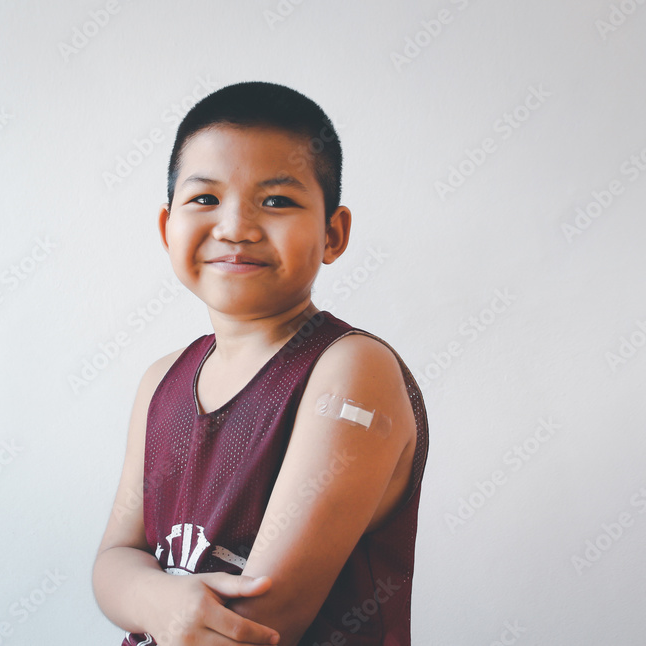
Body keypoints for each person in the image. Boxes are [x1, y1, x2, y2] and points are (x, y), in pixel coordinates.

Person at [92, 81, 429, 646]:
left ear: (333, 233)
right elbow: (114, 559)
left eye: (276, 201)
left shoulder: (350, 370)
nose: (235, 228)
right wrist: (158, 599)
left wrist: (154, 602)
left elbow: (259, 621)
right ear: (166, 226)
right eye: (204, 199)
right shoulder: (161, 381)